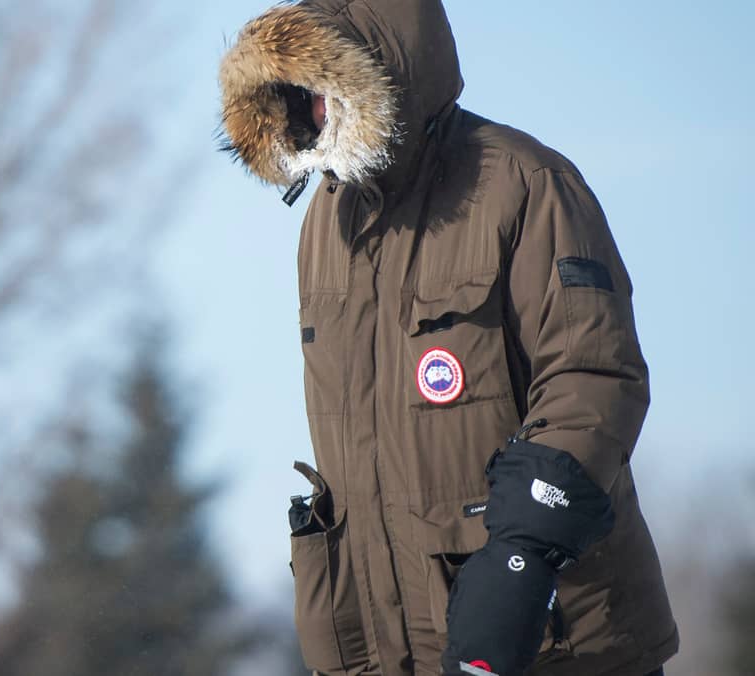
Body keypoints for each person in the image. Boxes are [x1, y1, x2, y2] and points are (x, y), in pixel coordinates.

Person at [218, 2, 678, 675]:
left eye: (319, 90)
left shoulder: (523, 183)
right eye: (294, 96)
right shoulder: (326, 222)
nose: (308, 117)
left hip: (552, 643)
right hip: (391, 650)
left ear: (377, 74)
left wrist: (520, 560)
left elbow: (593, 376)